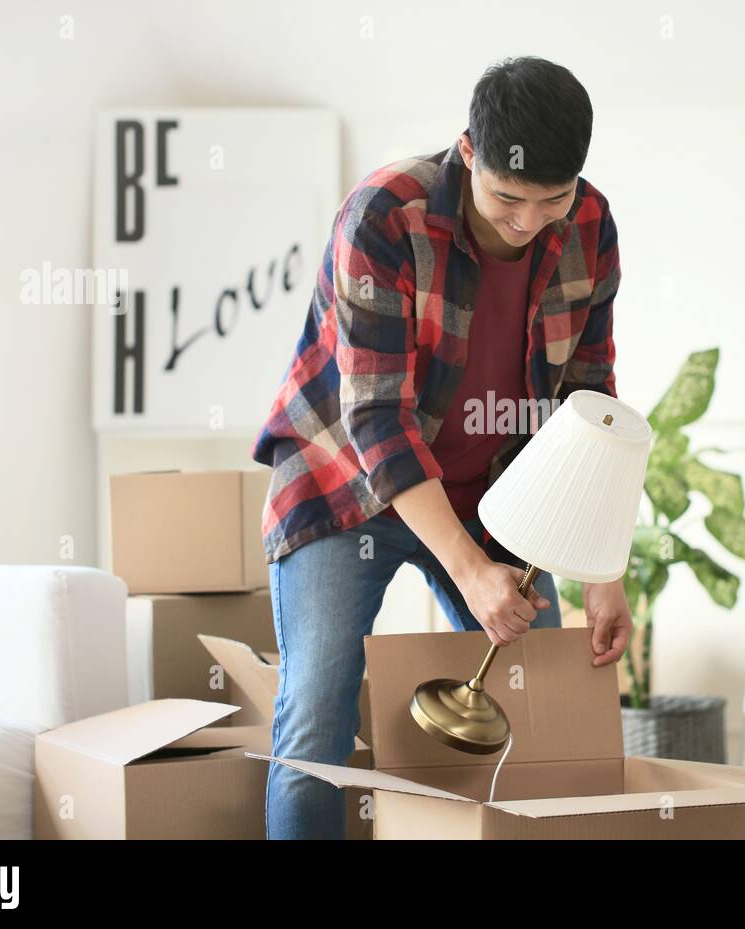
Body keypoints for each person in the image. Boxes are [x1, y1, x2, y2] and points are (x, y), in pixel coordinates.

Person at [250, 56, 632, 839]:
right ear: (467, 153)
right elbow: (378, 423)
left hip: (497, 492)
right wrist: (468, 570)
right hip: (345, 482)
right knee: (318, 709)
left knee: (540, 704)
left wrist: (604, 568)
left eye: (551, 200)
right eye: (507, 198)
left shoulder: (590, 225)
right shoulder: (385, 216)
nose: (528, 222)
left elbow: (589, 401)